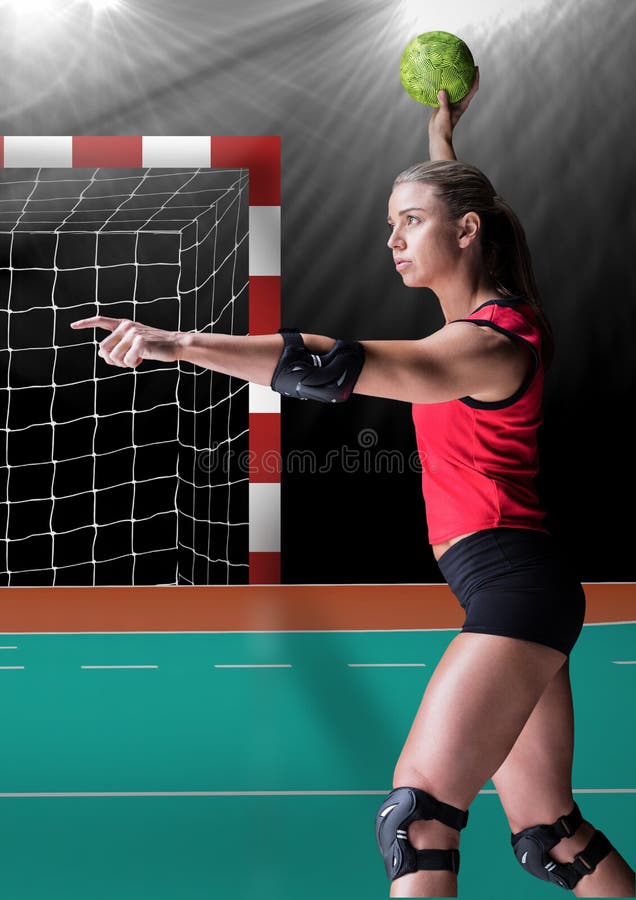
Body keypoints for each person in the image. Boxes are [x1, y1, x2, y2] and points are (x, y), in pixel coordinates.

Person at [70, 76, 635, 899]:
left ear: (466, 230)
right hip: (522, 590)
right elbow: (466, 212)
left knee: (417, 821)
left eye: (410, 222)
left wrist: (176, 341)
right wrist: (441, 141)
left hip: (516, 591)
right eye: (389, 227)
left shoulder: (484, 351)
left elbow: (330, 368)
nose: (394, 241)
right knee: (550, 835)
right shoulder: (508, 315)